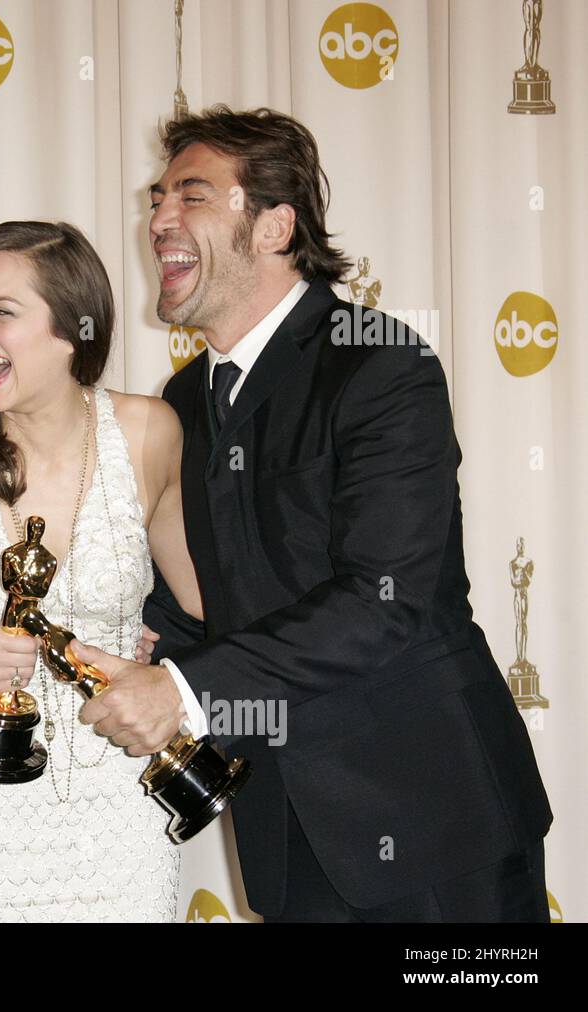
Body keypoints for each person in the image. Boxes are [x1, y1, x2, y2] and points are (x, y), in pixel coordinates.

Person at [78, 105, 552, 922]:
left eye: (191, 196)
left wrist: (183, 688)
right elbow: (224, 588)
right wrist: (147, 638)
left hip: (432, 824)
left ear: (274, 225)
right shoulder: (186, 398)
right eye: (157, 198)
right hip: (285, 835)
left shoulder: (379, 363)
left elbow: (383, 600)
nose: (158, 220)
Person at [0, 221, 202, 922]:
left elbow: (205, 603)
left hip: (120, 813)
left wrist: (157, 651)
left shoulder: (149, 433)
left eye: (2, 311)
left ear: (72, 331)